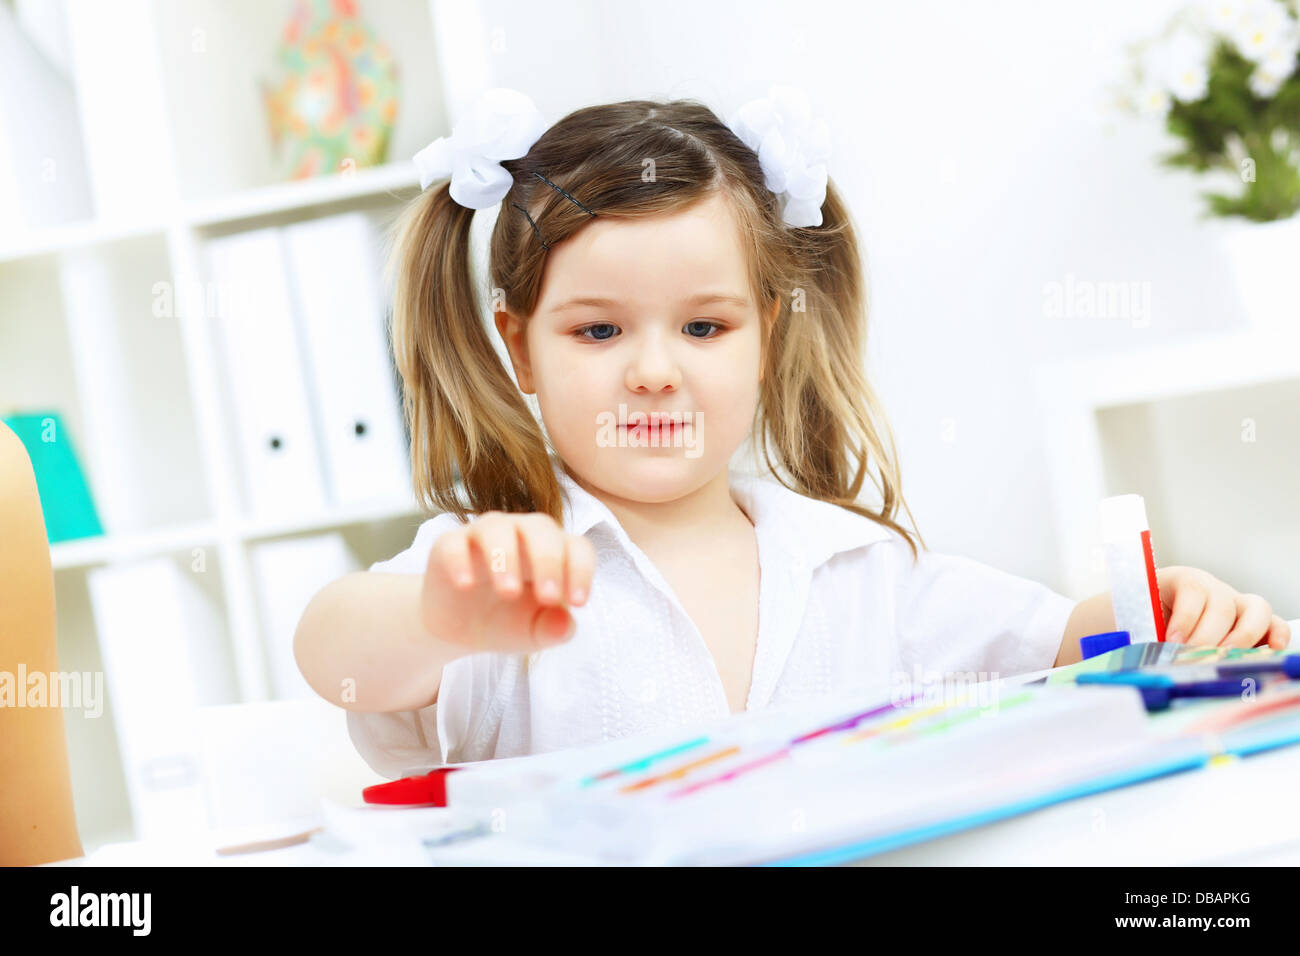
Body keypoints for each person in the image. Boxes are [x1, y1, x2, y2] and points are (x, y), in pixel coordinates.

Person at [294, 87, 1290, 778]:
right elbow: (332, 645)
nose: (653, 366)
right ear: (518, 348)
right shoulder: (492, 573)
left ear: (768, 335)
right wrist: (440, 613)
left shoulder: (859, 569)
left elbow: (1058, 647)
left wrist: (1160, 611)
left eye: (703, 326)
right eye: (597, 329)